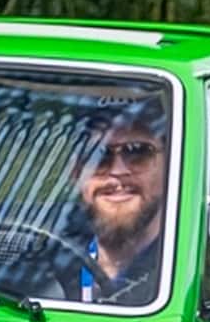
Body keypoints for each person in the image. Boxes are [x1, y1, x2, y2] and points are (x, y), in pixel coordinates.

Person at [71, 101, 171, 306]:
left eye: (137, 152)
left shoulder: (193, 273)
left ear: (170, 167)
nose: (117, 171)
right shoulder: (41, 269)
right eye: (98, 155)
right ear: (76, 172)